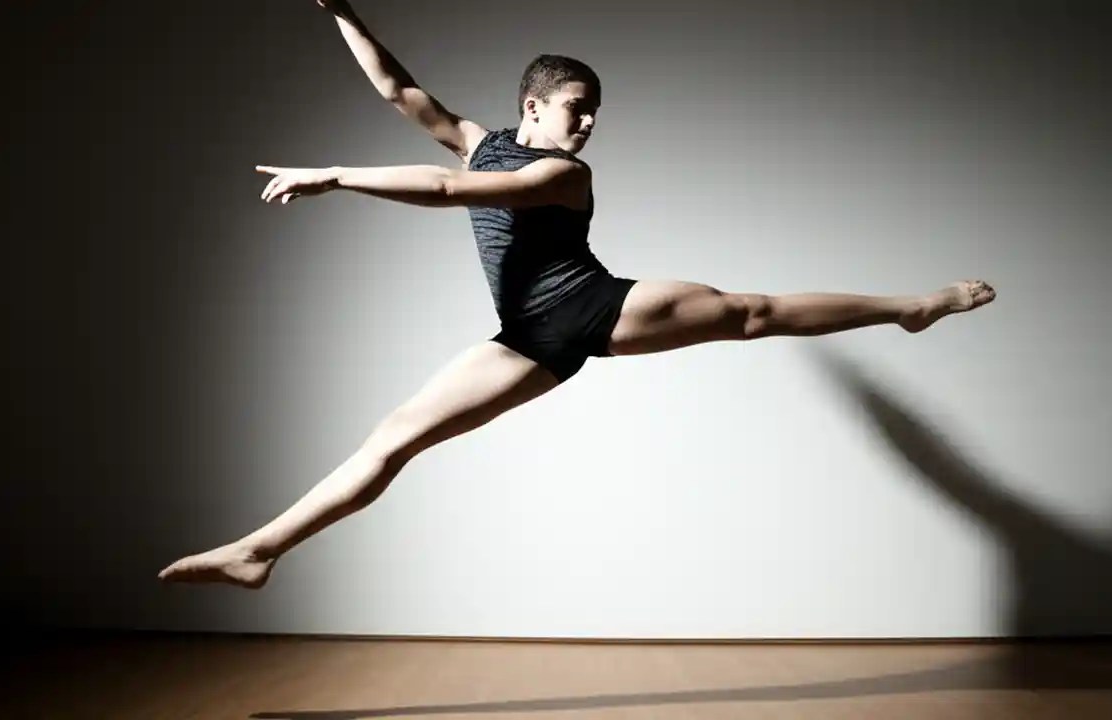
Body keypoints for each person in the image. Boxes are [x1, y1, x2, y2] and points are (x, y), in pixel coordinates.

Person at [158, 0, 995, 588]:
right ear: (534, 104)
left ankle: (909, 308)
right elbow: (397, 90)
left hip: (595, 305)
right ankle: (261, 550)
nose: (589, 124)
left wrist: (335, 174)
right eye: (576, 110)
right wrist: (339, 8)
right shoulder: (480, 142)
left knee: (753, 313)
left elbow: (448, 195)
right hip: (524, 335)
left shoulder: (562, 173)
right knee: (392, 441)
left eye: (594, 113)